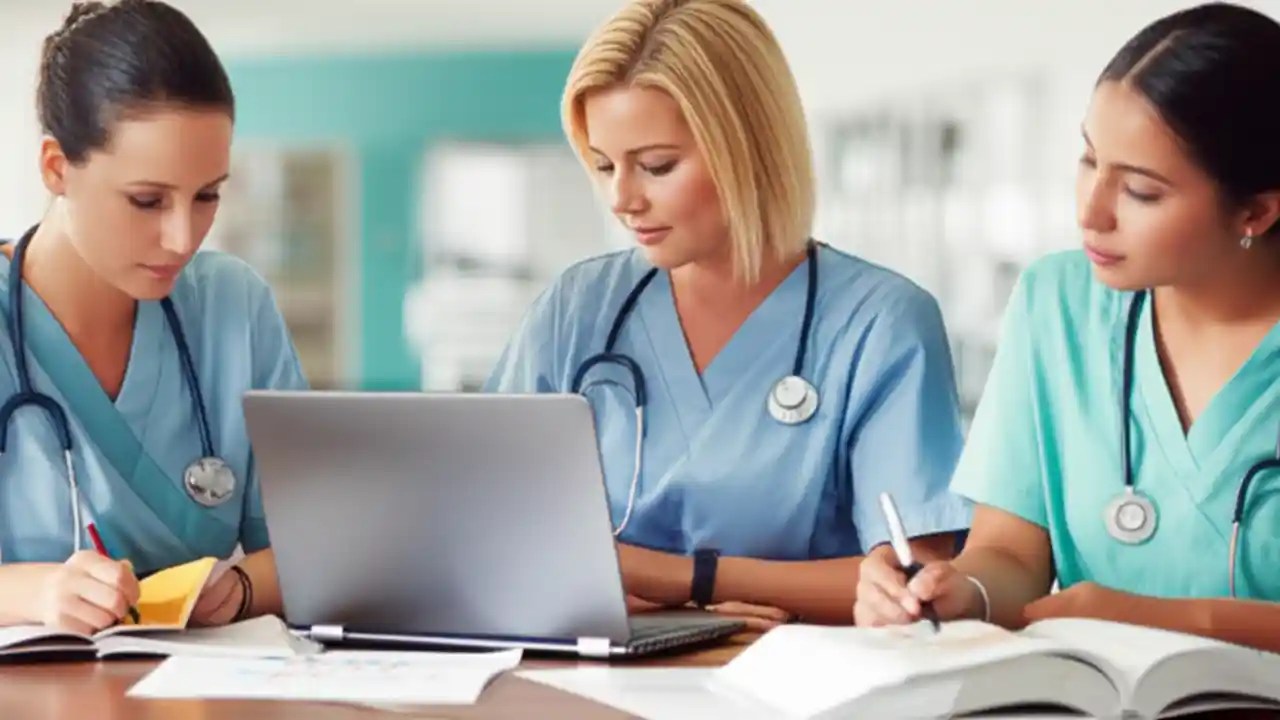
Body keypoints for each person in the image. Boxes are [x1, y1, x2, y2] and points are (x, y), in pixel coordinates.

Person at [486, 0, 971, 628]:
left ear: (747, 146)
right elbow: (488, 525)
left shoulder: (880, 323)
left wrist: (681, 580)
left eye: (657, 166)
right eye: (605, 165)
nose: (621, 198)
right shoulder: (576, 312)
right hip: (589, 668)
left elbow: (907, 581)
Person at [854, 2, 1280, 651]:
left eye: (1141, 191)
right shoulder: (1057, 303)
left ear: (1254, 210)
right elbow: (1011, 554)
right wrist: (955, 590)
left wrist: (1169, 619)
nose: (1091, 211)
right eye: (1088, 159)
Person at [0, 0, 307, 635]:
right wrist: (34, 591)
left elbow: (319, 544)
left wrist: (244, 589)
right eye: (147, 200)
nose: (181, 238)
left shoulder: (233, 308)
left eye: (207, 196)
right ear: (57, 167)